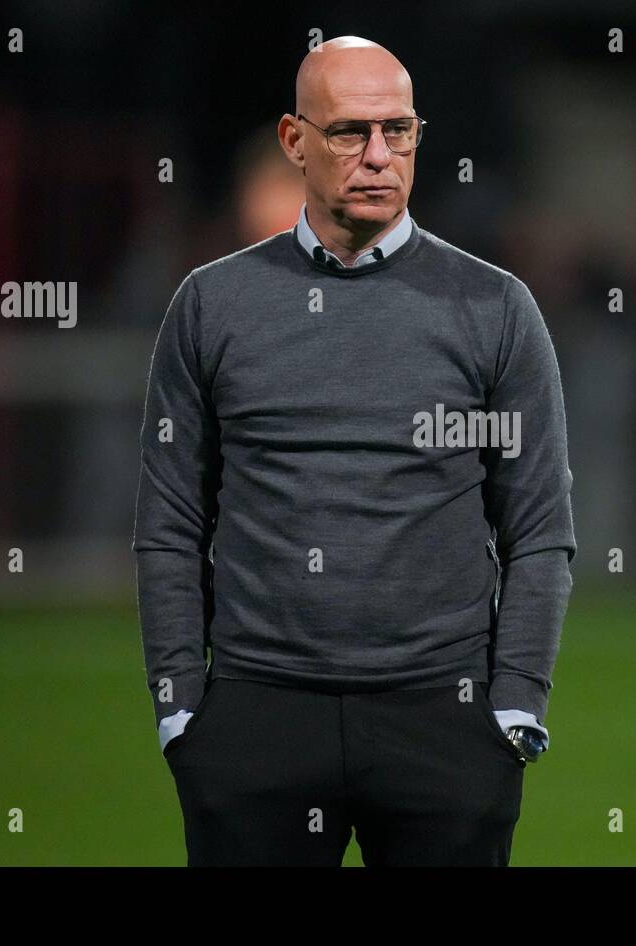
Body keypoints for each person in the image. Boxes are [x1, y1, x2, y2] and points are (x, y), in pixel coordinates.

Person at [132, 36, 576, 865]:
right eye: (349, 133)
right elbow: (168, 526)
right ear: (294, 141)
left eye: (398, 131)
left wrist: (514, 706)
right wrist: (181, 708)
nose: (379, 156)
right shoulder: (211, 305)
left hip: (444, 724)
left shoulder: (496, 307)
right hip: (256, 719)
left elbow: (541, 531)